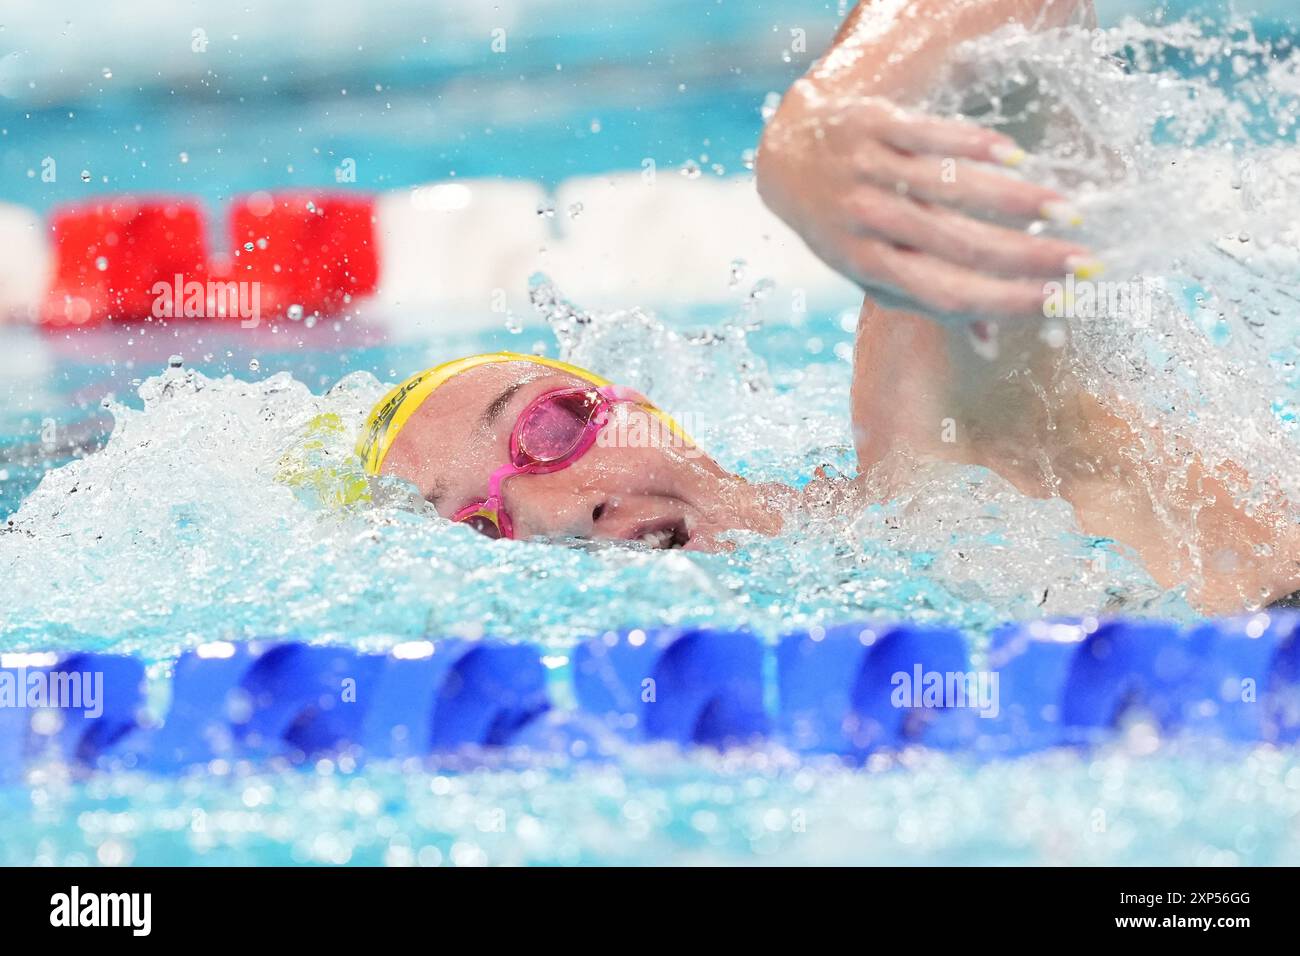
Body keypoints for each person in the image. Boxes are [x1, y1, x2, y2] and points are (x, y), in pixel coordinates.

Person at [357, 0, 1300, 616]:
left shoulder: (940, 464)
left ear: (639, 406)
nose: (563, 508)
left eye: (550, 430)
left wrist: (817, 127)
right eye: (482, 528)